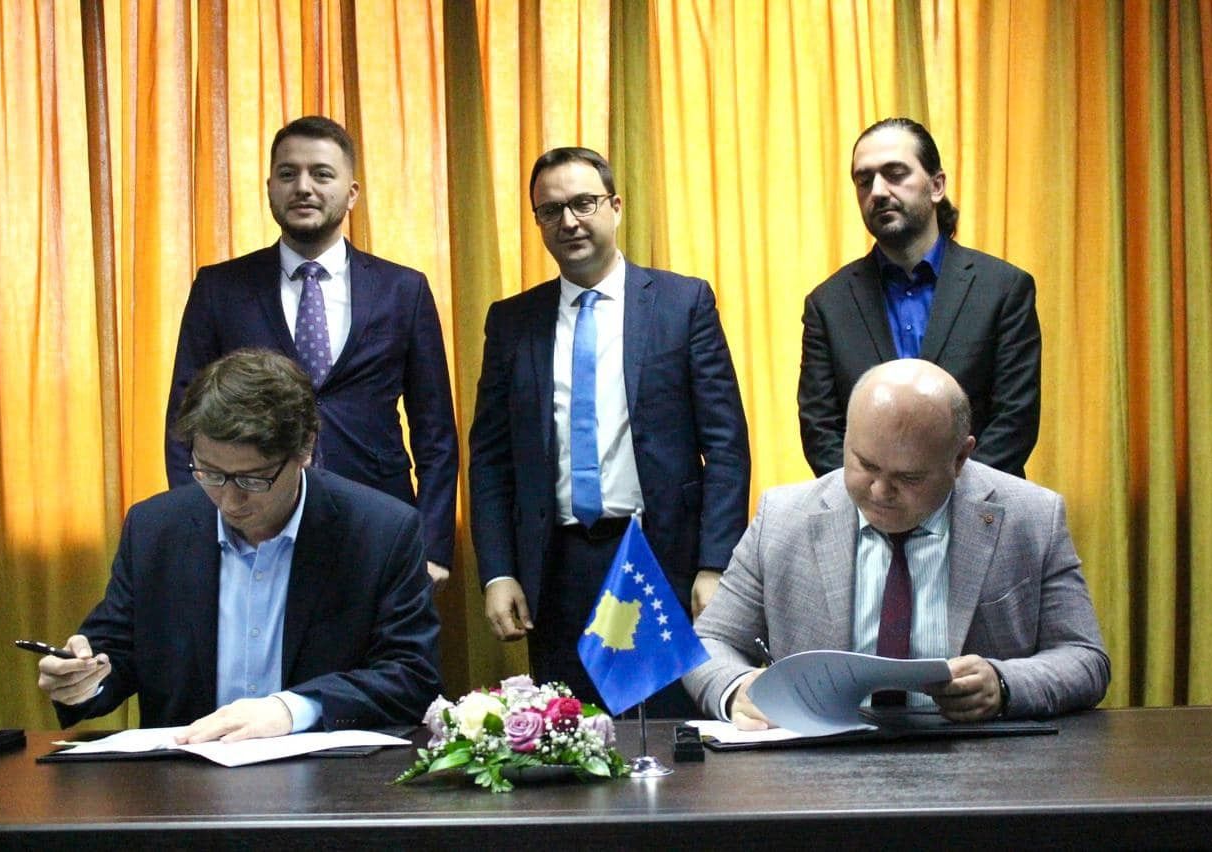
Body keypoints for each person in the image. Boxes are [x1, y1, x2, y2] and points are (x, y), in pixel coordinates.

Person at [469, 146, 751, 715]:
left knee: (668, 730)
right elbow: (490, 460)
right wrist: (498, 572)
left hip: (660, 557)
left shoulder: (681, 303)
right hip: (557, 567)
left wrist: (716, 562)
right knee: (572, 735)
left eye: (584, 203)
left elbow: (725, 444)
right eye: (551, 210)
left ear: (615, 207)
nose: (569, 221)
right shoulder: (512, 321)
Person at [36, 349, 443, 741]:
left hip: (324, 778)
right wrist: (81, 681)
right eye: (210, 474)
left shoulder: (380, 532)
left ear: (305, 448)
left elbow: (411, 676)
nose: (230, 501)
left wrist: (293, 710)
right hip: (186, 774)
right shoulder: (155, 530)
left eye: (253, 479)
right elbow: (113, 654)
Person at [686, 359, 1108, 727]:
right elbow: (709, 643)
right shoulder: (782, 519)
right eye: (865, 464)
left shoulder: (1031, 518)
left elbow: (1084, 657)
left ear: (960, 458)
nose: (880, 491)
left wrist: (1004, 684)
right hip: (817, 770)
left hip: (977, 766)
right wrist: (738, 688)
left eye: (909, 477)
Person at [165, 115, 458, 588]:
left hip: (378, 526)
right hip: (252, 528)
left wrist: (433, 546)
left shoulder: (403, 290)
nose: (303, 187)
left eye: (321, 174)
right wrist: (201, 530)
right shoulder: (220, 288)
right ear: (269, 188)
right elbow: (185, 421)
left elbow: (436, 432)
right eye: (288, 174)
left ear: (352, 192)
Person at [798, 117, 1041, 479]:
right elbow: (822, 432)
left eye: (895, 174)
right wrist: (882, 497)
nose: (878, 191)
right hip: (869, 509)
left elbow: (1014, 421)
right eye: (864, 180)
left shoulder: (1004, 289)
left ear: (937, 185)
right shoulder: (828, 305)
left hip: (980, 505)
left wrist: (939, 498)